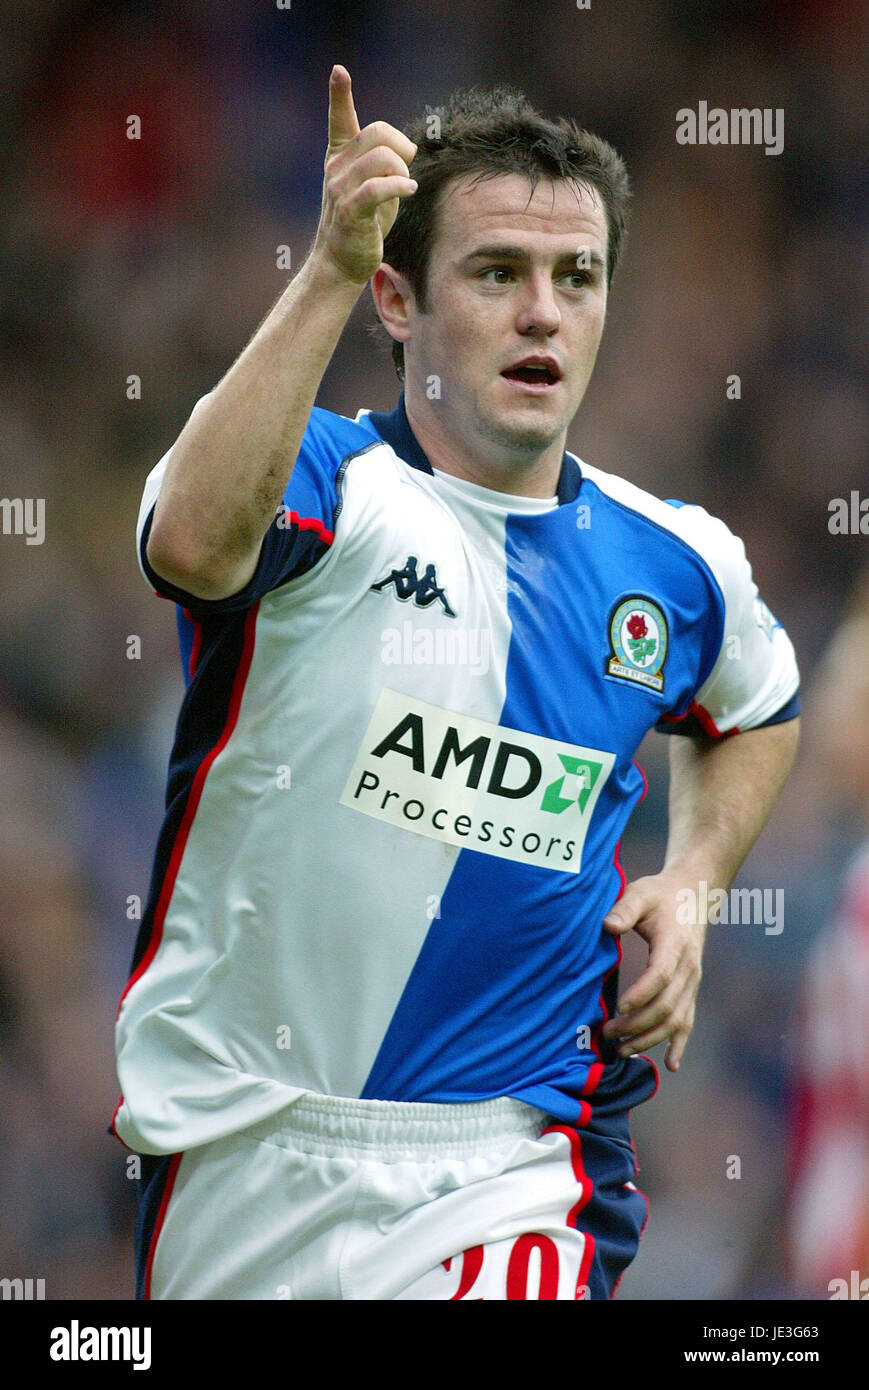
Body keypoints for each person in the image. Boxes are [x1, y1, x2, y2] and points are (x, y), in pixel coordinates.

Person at [113, 65, 801, 1300]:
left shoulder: (675, 561)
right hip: (237, 1149)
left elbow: (755, 708)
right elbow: (190, 546)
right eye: (496, 274)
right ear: (396, 296)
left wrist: (693, 883)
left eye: (575, 279)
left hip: (508, 1163)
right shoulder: (322, 482)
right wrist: (320, 267)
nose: (542, 312)